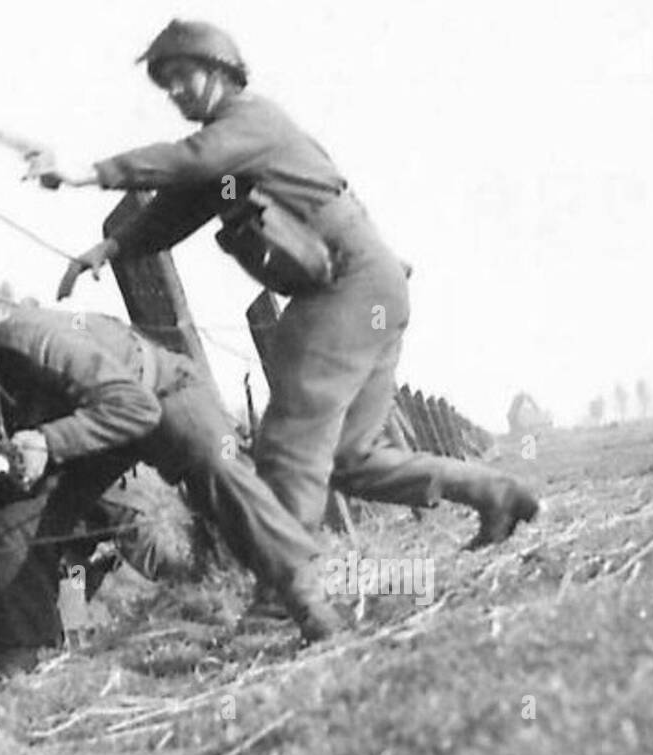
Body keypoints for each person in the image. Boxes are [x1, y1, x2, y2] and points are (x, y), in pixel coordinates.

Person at [37, 19, 540, 548]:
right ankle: (496, 493)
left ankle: (288, 589)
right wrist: (111, 249)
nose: (175, 92)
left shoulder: (250, 121)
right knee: (350, 458)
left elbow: (192, 160)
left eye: (184, 75)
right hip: (373, 287)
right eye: (167, 85)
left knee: (289, 444)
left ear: (220, 71)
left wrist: (86, 172)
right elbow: (183, 202)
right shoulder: (231, 155)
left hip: (346, 287)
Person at [0, 305, 339, 675]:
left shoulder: (28, 342)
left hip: (158, 394)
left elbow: (136, 408)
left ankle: (303, 597)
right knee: (7, 523)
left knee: (217, 462)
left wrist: (46, 441)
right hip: (87, 439)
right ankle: (21, 669)